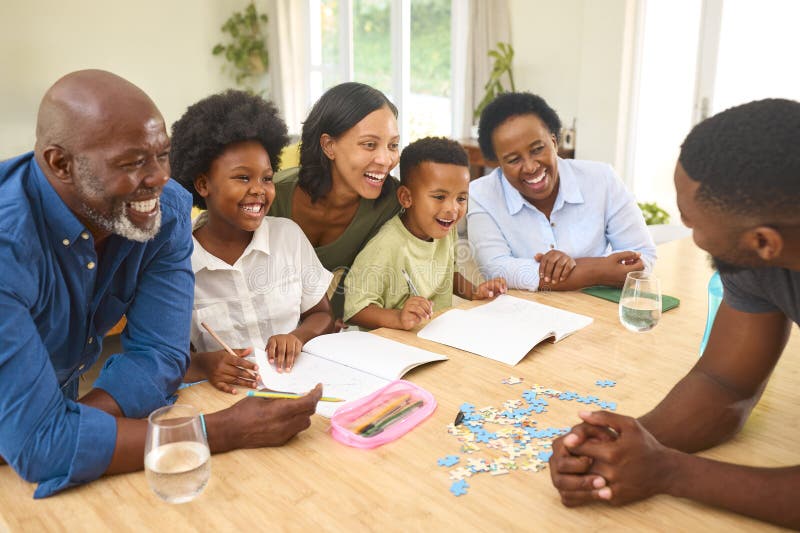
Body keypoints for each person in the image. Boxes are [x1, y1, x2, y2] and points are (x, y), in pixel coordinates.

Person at [0, 70, 321, 498]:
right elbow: (40, 448)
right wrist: (219, 430)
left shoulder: (163, 211)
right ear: (61, 163)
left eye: (162, 155)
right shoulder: (9, 246)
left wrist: (67, 426)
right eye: (132, 162)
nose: (158, 179)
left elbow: (159, 356)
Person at [548, 98, 800, 529]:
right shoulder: (758, 258)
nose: (693, 238)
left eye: (693, 224)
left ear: (764, 242)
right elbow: (725, 383)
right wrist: (621, 445)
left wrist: (669, 472)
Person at [169, 90, 335, 391]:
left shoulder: (288, 236)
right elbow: (170, 360)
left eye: (267, 178)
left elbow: (322, 315)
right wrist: (207, 364)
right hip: (225, 396)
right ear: (203, 184)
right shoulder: (180, 262)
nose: (259, 190)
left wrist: (296, 337)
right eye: (243, 178)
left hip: (296, 385)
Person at [468, 92, 656, 291]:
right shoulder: (481, 195)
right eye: (514, 160)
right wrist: (597, 270)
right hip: (523, 315)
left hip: (599, 310)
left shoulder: (602, 179)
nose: (531, 167)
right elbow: (497, 269)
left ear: (554, 142)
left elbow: (642, 256)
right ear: (498, 163)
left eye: (537, 149)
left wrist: (572, 267)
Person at [344, 137, 507, 330]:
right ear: (406, 198)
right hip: (392, 348)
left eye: (461, 198)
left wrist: (474, 292)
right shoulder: (385, 246)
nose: (452, 209)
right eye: (439, 197)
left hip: (435, 337)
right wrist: (398, 318)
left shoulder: (445, 229)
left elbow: (447, 274)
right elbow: (355, 310)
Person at [269, 82, 402, 319]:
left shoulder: (393, 202)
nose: (385, 159)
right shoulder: (271, 196)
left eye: (393, 145)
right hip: (273, 340)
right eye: (369, 144)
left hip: (344, 338)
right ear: (329, 146)